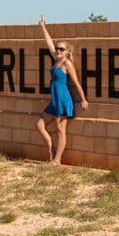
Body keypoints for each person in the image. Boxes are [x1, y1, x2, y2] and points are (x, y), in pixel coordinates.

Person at [36, 15, 89, 164]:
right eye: (58, 48)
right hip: (54, 99)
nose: (58, 50)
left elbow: (77, 83)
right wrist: (42, 26)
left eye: (61, 49)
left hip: (63, 99)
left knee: (60, 130)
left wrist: (83, 100)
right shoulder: (56, 60)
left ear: (67, 52)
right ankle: (51, 150)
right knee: (40, 125)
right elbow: (49, 44)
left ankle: (57, 159)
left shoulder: (67, 64)